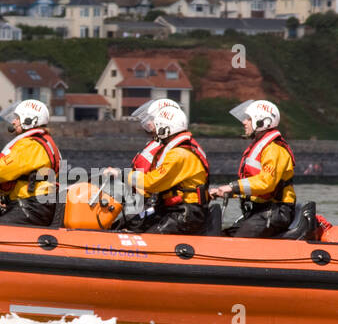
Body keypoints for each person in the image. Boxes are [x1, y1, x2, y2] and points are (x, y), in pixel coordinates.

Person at [109, 103, 210, 235]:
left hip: (185, 214)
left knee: (150, 237)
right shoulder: (181, 149)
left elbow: (152, 182)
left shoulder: (178, 154)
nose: (155, 130)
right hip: (175, 210)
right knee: (134, 226)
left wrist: (122, 174)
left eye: (157, 126)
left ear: (166, 128)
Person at [0, 99, 61, 226]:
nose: (14, 122)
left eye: (17, 118)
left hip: (31, 207)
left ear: (29, 120)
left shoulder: (30, 145)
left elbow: (3, 171)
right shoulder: (42, 142)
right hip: (36, 206)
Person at [210, 99, 296, 238]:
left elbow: (266, 183)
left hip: (275, 212)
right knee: (224, 236)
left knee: (238, 243)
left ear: (263, 122)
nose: (244, 122)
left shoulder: (274, 149)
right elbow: (255, 188)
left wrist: (232, 187)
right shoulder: (261, 146)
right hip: (260, 210)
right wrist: (227, 192)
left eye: (249, 119)